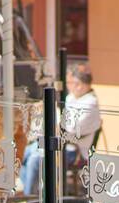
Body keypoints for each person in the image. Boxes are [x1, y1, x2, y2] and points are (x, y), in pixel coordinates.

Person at [19, 63, 101, 195]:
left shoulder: (90, 103)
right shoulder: (72, 98)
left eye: (71, 83)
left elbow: (71, 127)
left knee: (34, 160)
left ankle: (28, 198)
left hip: (73, 149)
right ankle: (34, 194)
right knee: (22, 154)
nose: (68, 86)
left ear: (80, 84)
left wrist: (55, 121)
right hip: (57, 141)